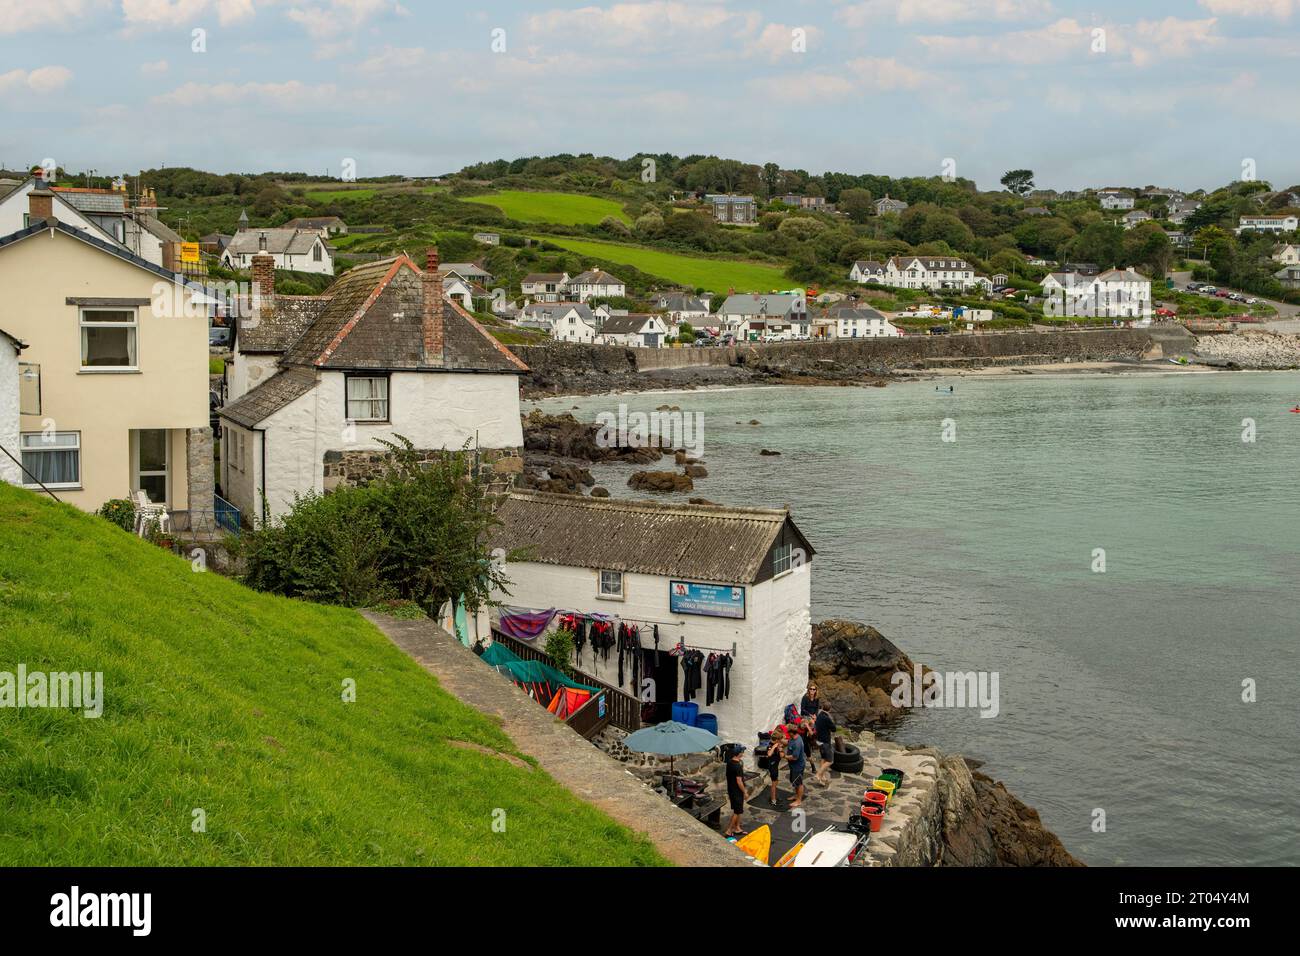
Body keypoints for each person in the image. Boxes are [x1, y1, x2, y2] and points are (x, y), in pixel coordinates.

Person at [723, 744, 748, 837]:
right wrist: (745, 792)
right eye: (742, 752)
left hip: (731, 789)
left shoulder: (730, 762)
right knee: (737, 812)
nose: (743, 753)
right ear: (739, 754)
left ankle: (737, 828)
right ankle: (729, 831)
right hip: (737, 791)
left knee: (739, 809)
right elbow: (739, 781)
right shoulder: (737, 766)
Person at [783, 725, 807, 810]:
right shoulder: (794, 738)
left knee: (799, 783)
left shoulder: (797, 743)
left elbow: (794, 757)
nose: (787, 733)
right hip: (794, 765)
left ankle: (799, 800)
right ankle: (796, 795)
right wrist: (780, 741)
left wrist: (784, 756)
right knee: (795, 781)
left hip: (798, 766)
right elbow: (788, 742)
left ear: (791, 733)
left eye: (788, 732)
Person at [814, 701, 837, 786]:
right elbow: (834, 728)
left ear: (822, 707)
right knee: (830, 761)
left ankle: (822, 777)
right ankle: (818, 774)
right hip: (825, 742)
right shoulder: (827, 718)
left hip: (819, 741)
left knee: (823, 758)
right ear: (830, 709)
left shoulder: (819, 715)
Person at [766, 729, 785, 805]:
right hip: (772, 766)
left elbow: (782, 755)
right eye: (779, 740)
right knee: (774, 783)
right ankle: (773, 800)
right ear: (776, 740)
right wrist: (774, 747)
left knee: (776, 782)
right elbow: (769, 754)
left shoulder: (778, 745)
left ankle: (774, 796)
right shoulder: (770, 745)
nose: (781, 741)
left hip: (776, 766)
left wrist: (780, 750)